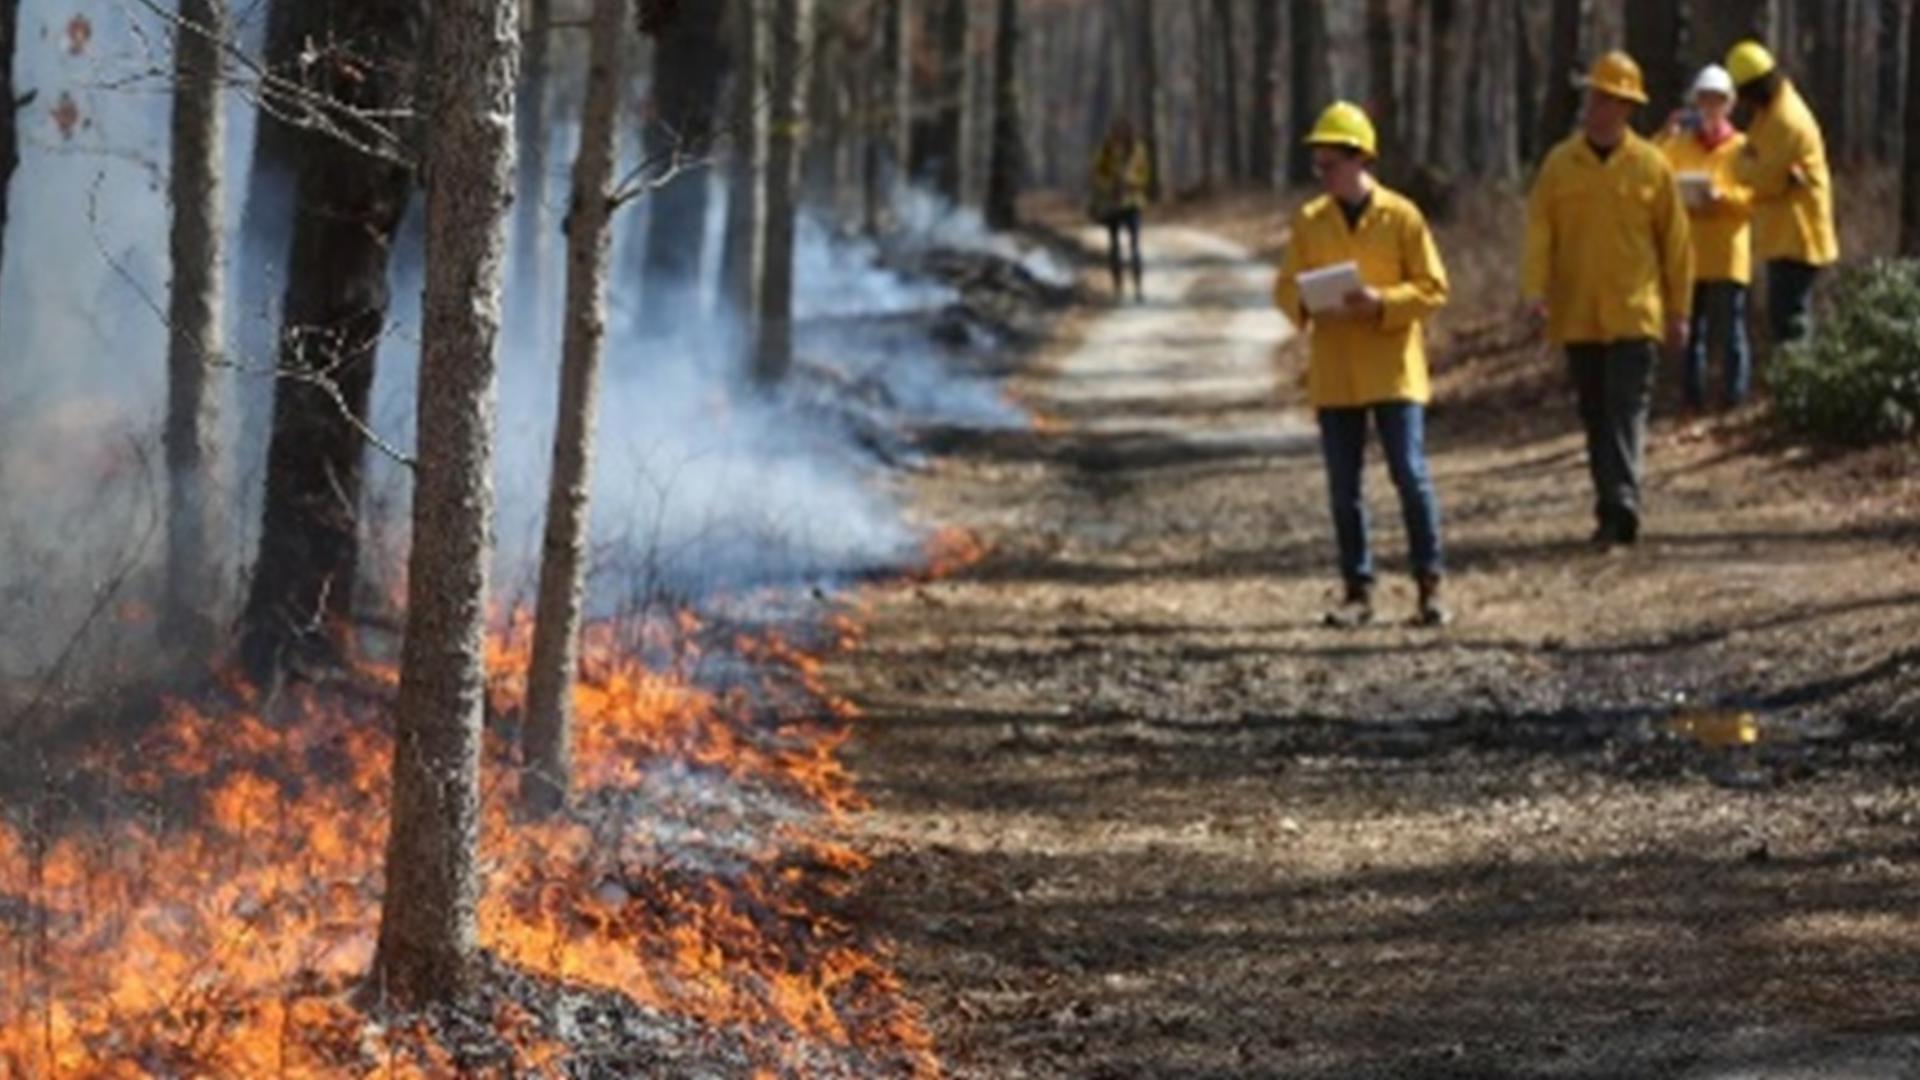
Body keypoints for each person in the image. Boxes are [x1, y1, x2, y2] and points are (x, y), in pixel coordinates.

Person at [1275, 102, 1452, 628]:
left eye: (1330, 164)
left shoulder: (1402, 216)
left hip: (1393, 365)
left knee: (1409, 474)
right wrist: (1307, 301)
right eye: (1319, 167)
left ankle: (1430, 584)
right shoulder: (1310, 222)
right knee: (1343, 487)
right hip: (1335, 371)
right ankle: (1358, 590)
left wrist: (1383, 303)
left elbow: (1433, 288)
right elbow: (1287, 287)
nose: (1323, 175)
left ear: (1359, 161)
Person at [1523, 51, 1693, 551]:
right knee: (1596, 414)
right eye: (1593, 97)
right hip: (1578, 314)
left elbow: (1677, 245)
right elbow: (1539, 232)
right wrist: (1535, 291)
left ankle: (1622, 501)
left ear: (1626, 108)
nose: (1595, 106)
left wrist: (1679, 310)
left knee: (1625, 409)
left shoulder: (1651, 166)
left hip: (1635, 312)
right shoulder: (1560, 165)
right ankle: (1610, 504)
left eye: (1607, 99)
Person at [1726, 40, 1839, 348]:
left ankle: (1800, 392)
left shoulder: (1784, 120)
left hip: (1798, 235)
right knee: (1784, 319)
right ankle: (1794, 389)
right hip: (1782, 233)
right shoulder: (1770, 112)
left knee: (1790, 322)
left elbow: (1763, 178)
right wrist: (1751, 163)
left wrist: (1751, 165)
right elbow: (1745, 165)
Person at [1658, 64, 1755, 412]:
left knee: (1731, 332)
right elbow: (1654, 177)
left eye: (1716, 101)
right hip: (1690, 253)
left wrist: (1722, 199)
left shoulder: (1743, 148)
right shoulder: (1678, 146)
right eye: (1703, 100)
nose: (1709, 108)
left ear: (1729, 105)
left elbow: (1755, 198)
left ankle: (1734, 398)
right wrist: (1665, 136)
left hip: (1729, 253)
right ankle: (1691, 399)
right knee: (1690, 333)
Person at [1090, 119, 1151, 302]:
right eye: (1117, 130)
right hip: (1112, 204)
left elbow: (1145, 175)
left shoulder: (1138, 150)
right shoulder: (1106, 150)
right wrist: (1109, 185)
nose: (1120, 134)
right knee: (1114, 246)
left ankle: (1138, 288)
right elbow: (1096, 173)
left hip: (1132, 203)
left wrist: (1133, 183)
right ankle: (1118, 288)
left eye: (1124, 131)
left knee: (1135, 246)